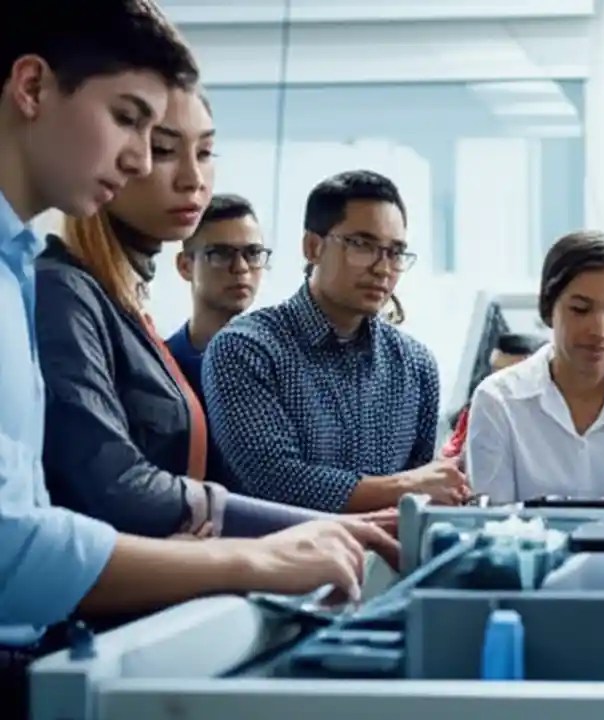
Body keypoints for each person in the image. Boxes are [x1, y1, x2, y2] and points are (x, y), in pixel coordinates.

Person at [0, 3, 395, 715]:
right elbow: (46, 527)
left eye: (201, 149)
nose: (146, 161)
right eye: (133, 123)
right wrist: (255, 551)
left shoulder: (27, 271)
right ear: (32, 89)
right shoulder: (54, 287)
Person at [36, 86, 390, 541]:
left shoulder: (123, 307)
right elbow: (114, 488)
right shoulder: (64, 293)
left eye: (205, 152)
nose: (193, 178)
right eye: (161, 149)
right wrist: (321, 531)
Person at [204, 170, 469, 513]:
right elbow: (277, 482)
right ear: (313, 247)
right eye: (363, 245)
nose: (383, 268)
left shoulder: (415, 365)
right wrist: (408, 485)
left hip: (387, 562)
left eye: (395, 252)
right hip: (284, 560)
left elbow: (420, 500)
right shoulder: (246, 350)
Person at [467, 232, 604, 503]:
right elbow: (488, 524)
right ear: (549, 309)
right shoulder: (498, 402)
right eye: (580, 310)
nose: (599, 330)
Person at [168, 193, 268, 406]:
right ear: (185, 266)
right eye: (221, 254)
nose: (240, 267)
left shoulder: (277, 362)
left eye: (253, 253)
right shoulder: (161, 365)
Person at [440, 332, 546, 466]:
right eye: (494, 371)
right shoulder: (476, 407)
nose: (495, 381)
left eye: (507, 374)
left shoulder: (543, 424)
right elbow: (449, 455)